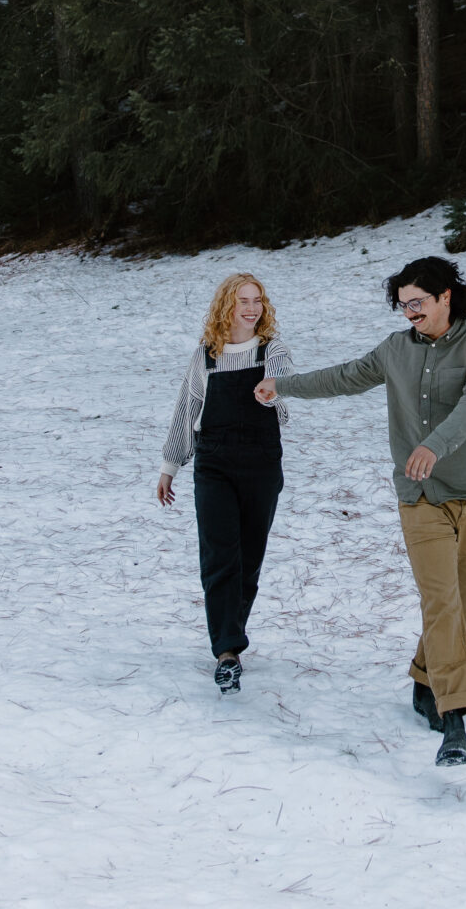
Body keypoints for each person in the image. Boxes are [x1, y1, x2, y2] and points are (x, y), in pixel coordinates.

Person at [255, 256, 466, 767]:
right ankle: (453, 718)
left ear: (446, 297)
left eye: (417, 303)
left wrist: (435, 444)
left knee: (464, 604)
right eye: (402, 305)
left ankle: (421, 674)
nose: (409, 313)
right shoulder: (395, 350)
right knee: (442, 603)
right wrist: (284, 385)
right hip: (421, 496)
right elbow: (344, 377)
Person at [155, 272, 294, 693]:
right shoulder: (207, 356)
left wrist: (274, 395)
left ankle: (231, 634)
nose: (251, 309)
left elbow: (285, 393)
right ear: (226, 307)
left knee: (247, 560)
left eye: (257, 300)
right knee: (219, 555)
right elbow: (186, 407)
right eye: (242, 301)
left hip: (260, 463)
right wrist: (169, 466)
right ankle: (227, 652)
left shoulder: (274, 350)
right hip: (213, 464)